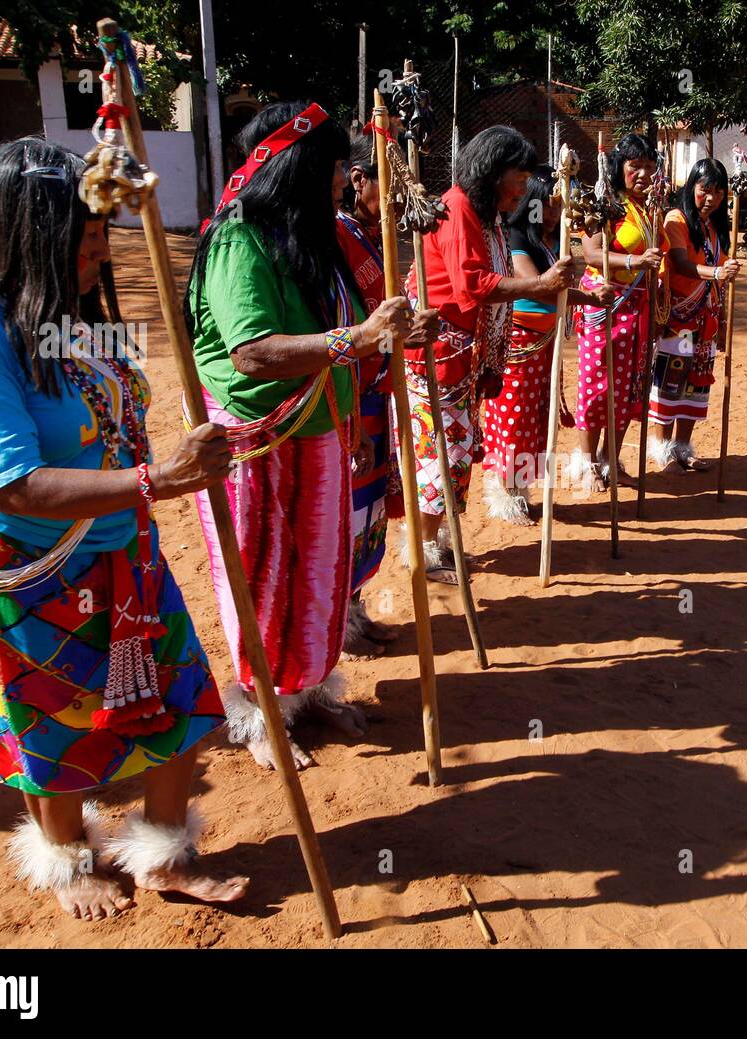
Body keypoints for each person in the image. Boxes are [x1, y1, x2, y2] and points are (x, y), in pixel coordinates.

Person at [0, 137, 247, 920]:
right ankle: (66, 861)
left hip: (123, 551)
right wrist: (156, 479)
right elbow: (14, 484)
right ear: (29, 239)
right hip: (26, 567)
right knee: (52, 730)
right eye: (85, 241)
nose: (100, 254)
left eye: (101, 237)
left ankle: (166, 849)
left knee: (183, 700)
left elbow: (111, 412)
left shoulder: (64, 313)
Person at [186, 101, 421, 767]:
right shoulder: (239, 238)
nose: (343, 181)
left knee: (317, 576)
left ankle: (309, 687)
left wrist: (384, 340)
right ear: (298, 170)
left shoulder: (305, 237)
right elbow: (253, 350)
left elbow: (340, 332)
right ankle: (261, 711)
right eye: (333, 169)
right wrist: (359, 339)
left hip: (318, 435)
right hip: (257, 447)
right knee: (262, 582)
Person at [403, 126, 574, 579]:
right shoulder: (458, 209)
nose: (524, 188)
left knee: (453, 453)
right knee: (440, 454)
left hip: (463, 359)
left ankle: (438, 542)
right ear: (493, 173)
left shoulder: (486, 214)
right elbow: (472, 285)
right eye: (519, 177)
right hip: (438, 359)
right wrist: (539, 285)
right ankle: (424, 551)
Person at [481, 165, 611, 523]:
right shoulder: (516, 236)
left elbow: (562, 286)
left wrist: (588, 295)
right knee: (513, 416)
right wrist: (584, 296)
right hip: (520, 344)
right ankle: (505, 494)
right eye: (547, 206)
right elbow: (536, 284)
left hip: (547, 344)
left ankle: (521, 490)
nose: (553, 214)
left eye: (559, 206)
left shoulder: (555, 239)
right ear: (531, 204)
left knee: (537, 417)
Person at [335, 144, 413, 656]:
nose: (399, 200)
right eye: (391, 185)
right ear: (358, 179)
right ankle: (336, 626)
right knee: (343, 511)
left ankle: (355, 614)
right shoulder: (337, 235)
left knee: (368, 511)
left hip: (377, 393)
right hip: (348, 396)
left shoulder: (371, 236)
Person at [575, 133, 667, 491]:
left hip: (640, 306)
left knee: (630, 388)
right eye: (634, 166)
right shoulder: (603, 202)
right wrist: (634, 260)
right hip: (605, 303)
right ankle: (586, 463)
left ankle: (611, 462)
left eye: (648, 166)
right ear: (620, 167)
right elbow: (593, 254)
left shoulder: (650, 208)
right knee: (598, 385)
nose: (642, 173)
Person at [646, 158, 739, 471]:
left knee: (696, 384)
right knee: (672, 379)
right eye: (704, 190)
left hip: (706, 320)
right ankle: (664, 450)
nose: (710, 197)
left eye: (717, 191)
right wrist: (716, 272)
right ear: (692, 188)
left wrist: (727, 273)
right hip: (679, 319)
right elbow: (681, 263)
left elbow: (720, 272)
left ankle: (684, 448)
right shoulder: (676, 219)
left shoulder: (713, 228)